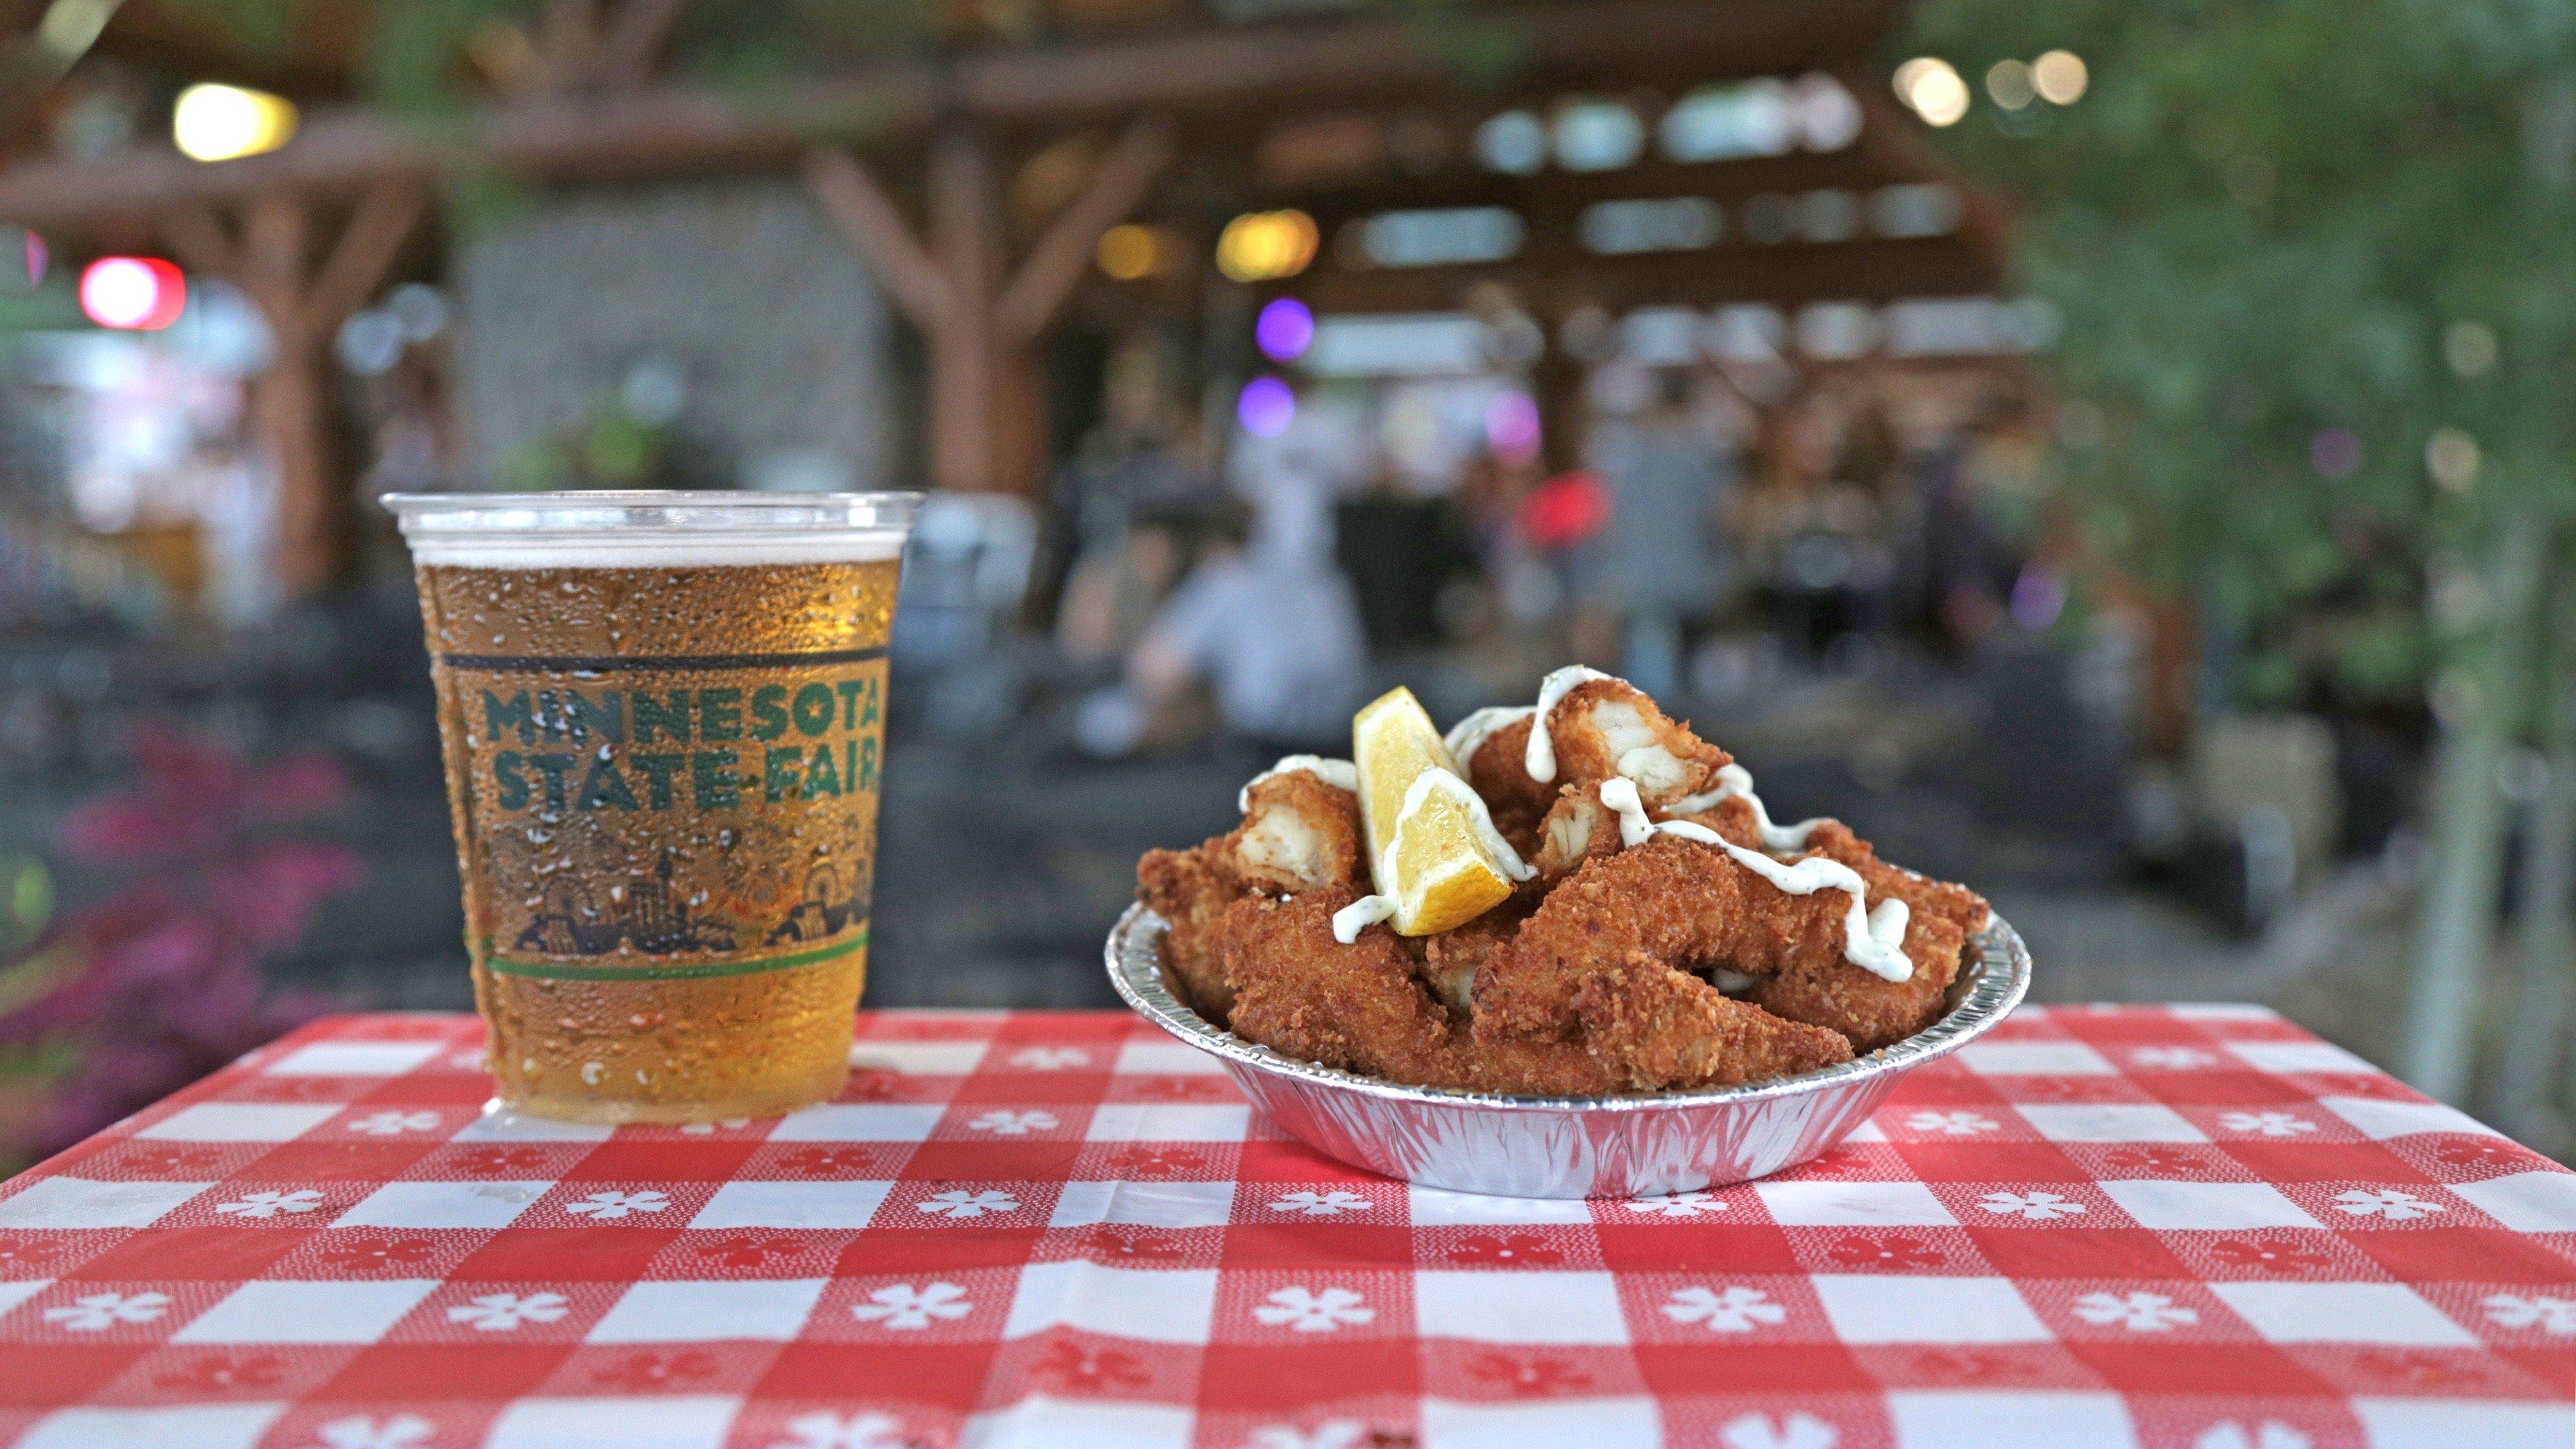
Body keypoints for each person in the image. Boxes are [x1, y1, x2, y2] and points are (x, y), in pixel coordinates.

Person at [1123, 499, 1368, 753]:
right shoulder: (1318, 570)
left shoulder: (1223, 574)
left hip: (1269, 746)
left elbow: (1154, 675)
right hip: (1351, 738)